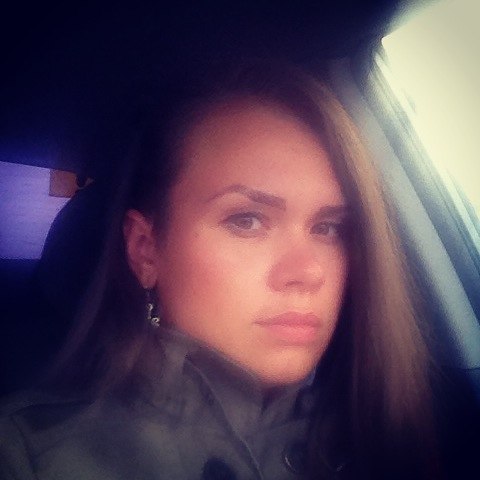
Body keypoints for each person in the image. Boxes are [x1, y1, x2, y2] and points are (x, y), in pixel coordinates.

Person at [0, 61, 477, 480]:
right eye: (246, 220)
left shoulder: (410, 428)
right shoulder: (28, 455)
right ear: (146, 251)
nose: (308, 272)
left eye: (329, 228)